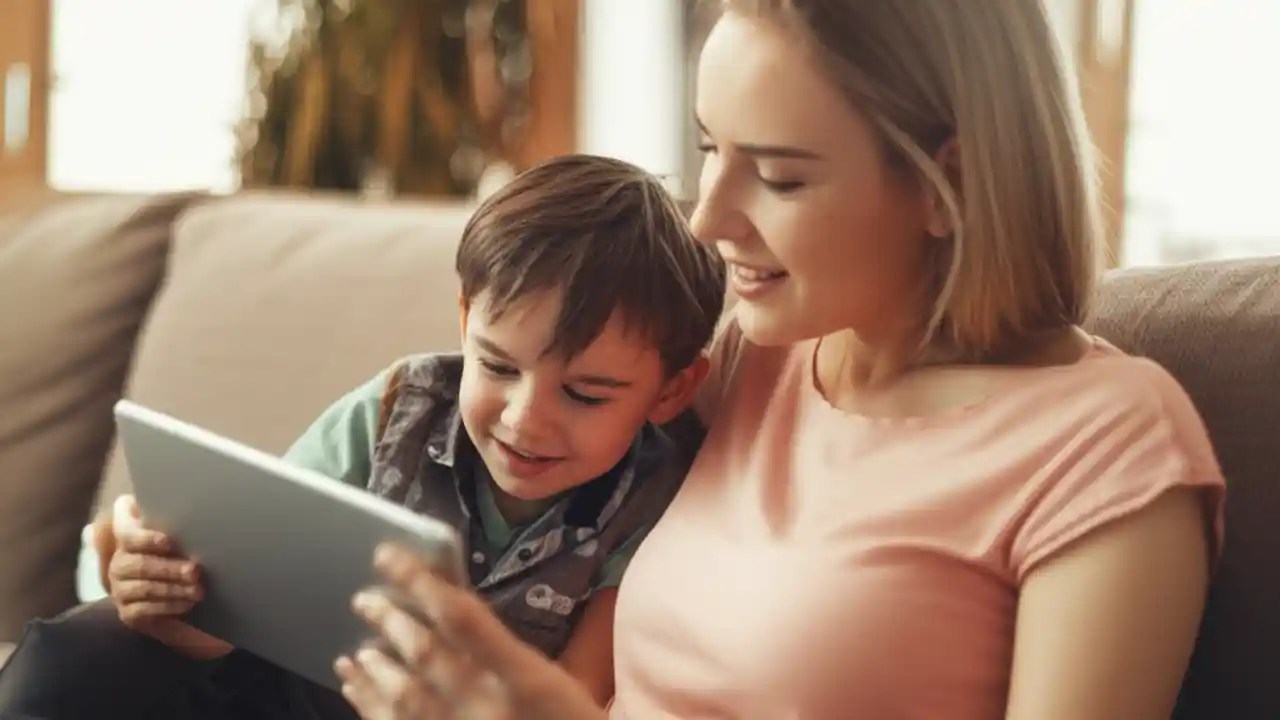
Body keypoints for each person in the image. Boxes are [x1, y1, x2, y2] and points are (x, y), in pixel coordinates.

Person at [332, 2, 1227, 719]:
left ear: (948, 183)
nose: (707, 220)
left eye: (780, 177)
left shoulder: (1106, 448)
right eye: (710, 150)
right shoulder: (746, 362)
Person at [0, 154, 725, 719]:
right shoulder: (397, 411)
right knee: (72, 657)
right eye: (497, 365)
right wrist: (152, 586)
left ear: (671, 389)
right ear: (466, 318)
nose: (525, 418)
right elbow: (242, 599)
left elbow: (573, 695)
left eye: (586, 393)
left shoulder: (654, 496)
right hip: (287, 689)